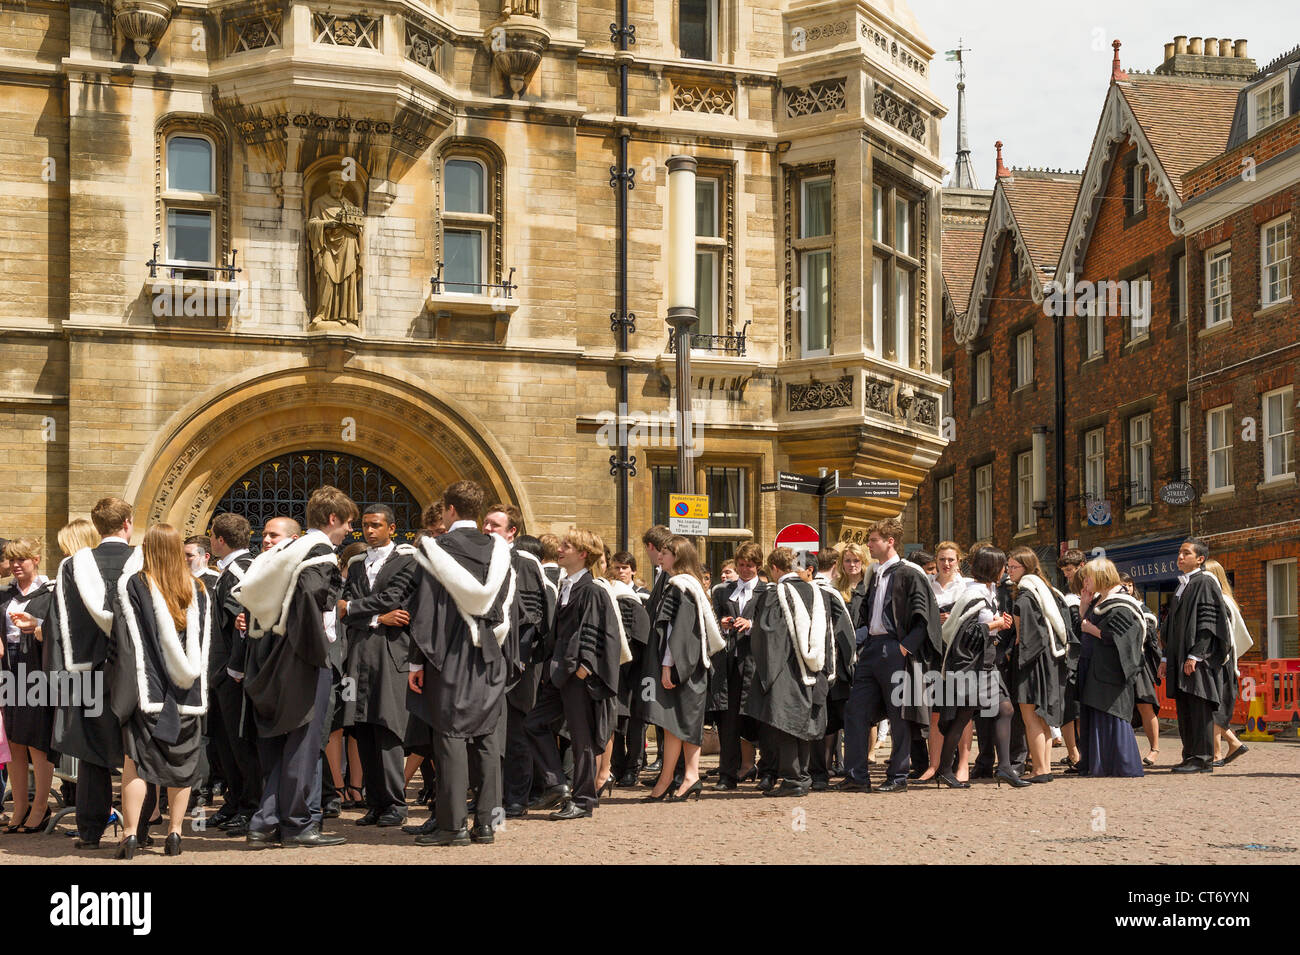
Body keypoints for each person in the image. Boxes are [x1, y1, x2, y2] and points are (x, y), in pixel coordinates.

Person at [234, 487, 356, 847]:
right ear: (333, 519)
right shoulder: (319, 553)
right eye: (348, 522)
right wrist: (317, 648)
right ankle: (299, 823)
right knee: (304, 741)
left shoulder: (287, 548)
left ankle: (264, 821)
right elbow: (312, 597)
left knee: (277, 743)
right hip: (301, 658)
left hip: (268, 654)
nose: (350, 530)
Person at [407, 481, 516, 846]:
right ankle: (486, 824)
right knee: (485, 736)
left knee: (450, 737)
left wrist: (416, 663)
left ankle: (452, 826)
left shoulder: (437, 549)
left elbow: (423, 611)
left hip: (449, 655)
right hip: (488, 651)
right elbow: (505, 606)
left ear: (449, 510)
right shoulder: (500, 551)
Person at [108, 523, 213, 858]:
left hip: (147, 690)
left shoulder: (134, 585)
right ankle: (176, 833)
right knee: (181, 766)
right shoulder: (197, 588)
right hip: (186, 694)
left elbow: (123, 641)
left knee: (136, 763)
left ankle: (130, 835)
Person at [51, 498, 135, 849]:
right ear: (128, 523)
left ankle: (89, 830)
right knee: (137, 751)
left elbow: (59, 625)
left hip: (86, 668)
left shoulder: (71, 567)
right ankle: (138, 829)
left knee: (91, 754)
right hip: (136, 669)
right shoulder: (144, 561)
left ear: (96, 526)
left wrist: (59, 676)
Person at [526, 529, 626, 819]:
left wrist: (585, 669)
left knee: (581, 741)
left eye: (567, 545)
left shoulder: (593, 590)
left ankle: (583, 801)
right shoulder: (566, 586)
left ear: (582, 554)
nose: (560, 548)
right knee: (534, 723)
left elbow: (599, 635)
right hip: (560, 675)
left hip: (578, 677)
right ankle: (557, 784)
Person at [838, 518, 940, 793]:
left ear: (890, 541)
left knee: (900, 715)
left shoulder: (909, 573)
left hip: (895, 650)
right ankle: (857, 775)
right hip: (871, 649)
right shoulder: (875, 573)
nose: (869, 545)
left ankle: (897, 777)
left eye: (873, 540)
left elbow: (925, 617)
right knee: (855, 711)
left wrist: (904, 647)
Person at [338, 505, 420, 828]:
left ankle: (395, 803)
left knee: (387, 726)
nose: (369, 531)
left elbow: (395, 598)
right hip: (359, 654)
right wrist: (375, 618)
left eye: (376, 525)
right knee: (362, 727)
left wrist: (360, 610)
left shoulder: (407, 562)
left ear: (392, 528)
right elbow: (342, 606)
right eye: (365, 526)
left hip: (390, 654)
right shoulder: (357, 564)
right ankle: (375, 802)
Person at [484, 505, 556, 822]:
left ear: (512, 531)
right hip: (487, 659)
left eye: (495, 524)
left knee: (516, 734)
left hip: (519, 663)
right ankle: (490, 796)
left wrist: (522, 657)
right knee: (487, 734)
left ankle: (515, 798)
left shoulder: (523, 562)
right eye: (485, 522)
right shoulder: (481, 557)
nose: (487, 528)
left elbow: (535, 615)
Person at [933, 547, 1026, 788]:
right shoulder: (972, 594)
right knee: (962, 717)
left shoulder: (989, 591)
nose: (1005, 569)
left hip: (985, 663)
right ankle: (944, 769)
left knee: (1005, 709)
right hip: (971, 666)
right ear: (992, 567)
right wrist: (995, 624)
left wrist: (996, 625)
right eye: (1002, 565)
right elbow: (966, 635)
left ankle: (1004, 767)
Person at [743, 547, 834, 796]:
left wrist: (767, 675)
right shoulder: (818, 592)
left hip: (786, 669)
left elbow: (768, 635)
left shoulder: (776, 593)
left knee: (785, 726)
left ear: (774, 568)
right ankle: (802, 777)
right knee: (802, 725)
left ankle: (794, 780)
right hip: (814, 668)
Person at [640, 535, 724, 801]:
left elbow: (677, 631)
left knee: (676, 722)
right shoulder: (691, 585)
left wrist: (667, 666)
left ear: (678, 556)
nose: (660, 557)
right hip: (693, 664)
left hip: (681, 665)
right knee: (684, 722)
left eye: (665, 553)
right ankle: (688, 776)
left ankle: (678, 778)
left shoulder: (679, 586)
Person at [205, 513, 260, 836]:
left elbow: (241, 624)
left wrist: (233, 669)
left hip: (233, 675)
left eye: (212, 536)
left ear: (220, 540)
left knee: (241, 743)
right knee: (224, 744)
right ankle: (235, 798)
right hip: (221, 673)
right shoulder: (229, 570)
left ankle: (250, 804)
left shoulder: (239, 570)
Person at [1160, 539, 1230, 774]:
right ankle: (1189, 755)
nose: (1180, 557)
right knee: (1185, 709)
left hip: (1198, 661)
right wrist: (1165, 658)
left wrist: (1196, 655)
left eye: (1186, 553)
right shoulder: (1183, 584)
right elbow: (1172, 627)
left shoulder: (1205, 582)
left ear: (1200, 559)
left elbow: (1208, 623)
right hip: (1180, 658)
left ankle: (1202, 758)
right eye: (1179, 552)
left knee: (1199, 709)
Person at [1, 538, 55, 833]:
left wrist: (36, 626)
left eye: (21, 559)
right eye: (11, 560)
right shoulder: (5, 595)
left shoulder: (49, 594)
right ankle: (19, 807)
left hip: (37, 670)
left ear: (35, 559)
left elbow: (60, 634)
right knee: (13, 742)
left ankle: (40, 807)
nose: (16, 565)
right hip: (8, 669)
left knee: (37, 742)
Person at [1076, 558, 1145, 778]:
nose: (1085, 581)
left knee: (1111, 713)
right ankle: (1097, 764)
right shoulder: (1100, 601)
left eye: (1088, 576)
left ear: (1100, 577)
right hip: (1095, 668)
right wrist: (1084, 607)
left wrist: (1091, 630)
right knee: (1095, 713)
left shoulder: (1122, 604)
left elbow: (1121, 638)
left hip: (1112, 672)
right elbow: (1085, 627)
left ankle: (1121, 764)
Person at [1006, 548, 1069, 783]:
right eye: (1009, 566)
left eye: (1014, 567)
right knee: (1041, 718)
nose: (1009, 571)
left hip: (1029, 662)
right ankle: (1045, 768)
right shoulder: (1044, 591)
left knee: (1030, 718)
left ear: (1026, 568)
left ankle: (1039, 769)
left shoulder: (1024, 596)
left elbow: (1024, 637)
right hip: (1047, 661)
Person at [709, 541, 765, 790]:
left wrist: (751, 624)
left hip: (756, 661)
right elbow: (712, 621)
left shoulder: (767, 591)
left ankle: (767, 770)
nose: (744, 570)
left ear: (759, 566)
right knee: (728, 719)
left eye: (749, 566)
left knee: (759, 718)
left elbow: (772, 624)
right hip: (730, 661)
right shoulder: (722, 591)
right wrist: (723, 623)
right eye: (741, 565)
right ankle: (727, 774)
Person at [809, 555, 855, 790]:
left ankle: (819, 772)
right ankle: (842, 770)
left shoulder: (823, 592)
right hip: (834, 669)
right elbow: (847, 635)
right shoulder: (826, 592)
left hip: (817, 668)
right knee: (839, 720)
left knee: (820, 719)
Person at [1202, 560, 1252, 767]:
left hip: (1220, 660)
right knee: (1214, 707)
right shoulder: (1227, 601)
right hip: (1224, 660)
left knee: (1214, 707)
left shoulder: (1220, 602)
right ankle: (1230, 744)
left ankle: (1218, 753)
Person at [1119, 573, 1162, 768]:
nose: (1126, 588)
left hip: (1141, 663)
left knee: (1145, 706)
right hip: (1120, 664)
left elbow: (1150, 637)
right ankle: (1129, 749)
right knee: (1124, 708)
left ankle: (1154, 748)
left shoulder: (1142, 609)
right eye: (1122, 585)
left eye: (1129, 585)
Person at [1057, 550, 1085, 770]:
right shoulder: (1066, 595)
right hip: (1070, 658)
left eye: (1070, 570)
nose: (1067, 574)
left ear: (1081, 566)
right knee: (1068, 708)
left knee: (1080, 708)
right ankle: (1073, 753)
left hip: (1085, 656)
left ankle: (1082, 751)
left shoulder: (1089, 592)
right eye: (1064, 571)